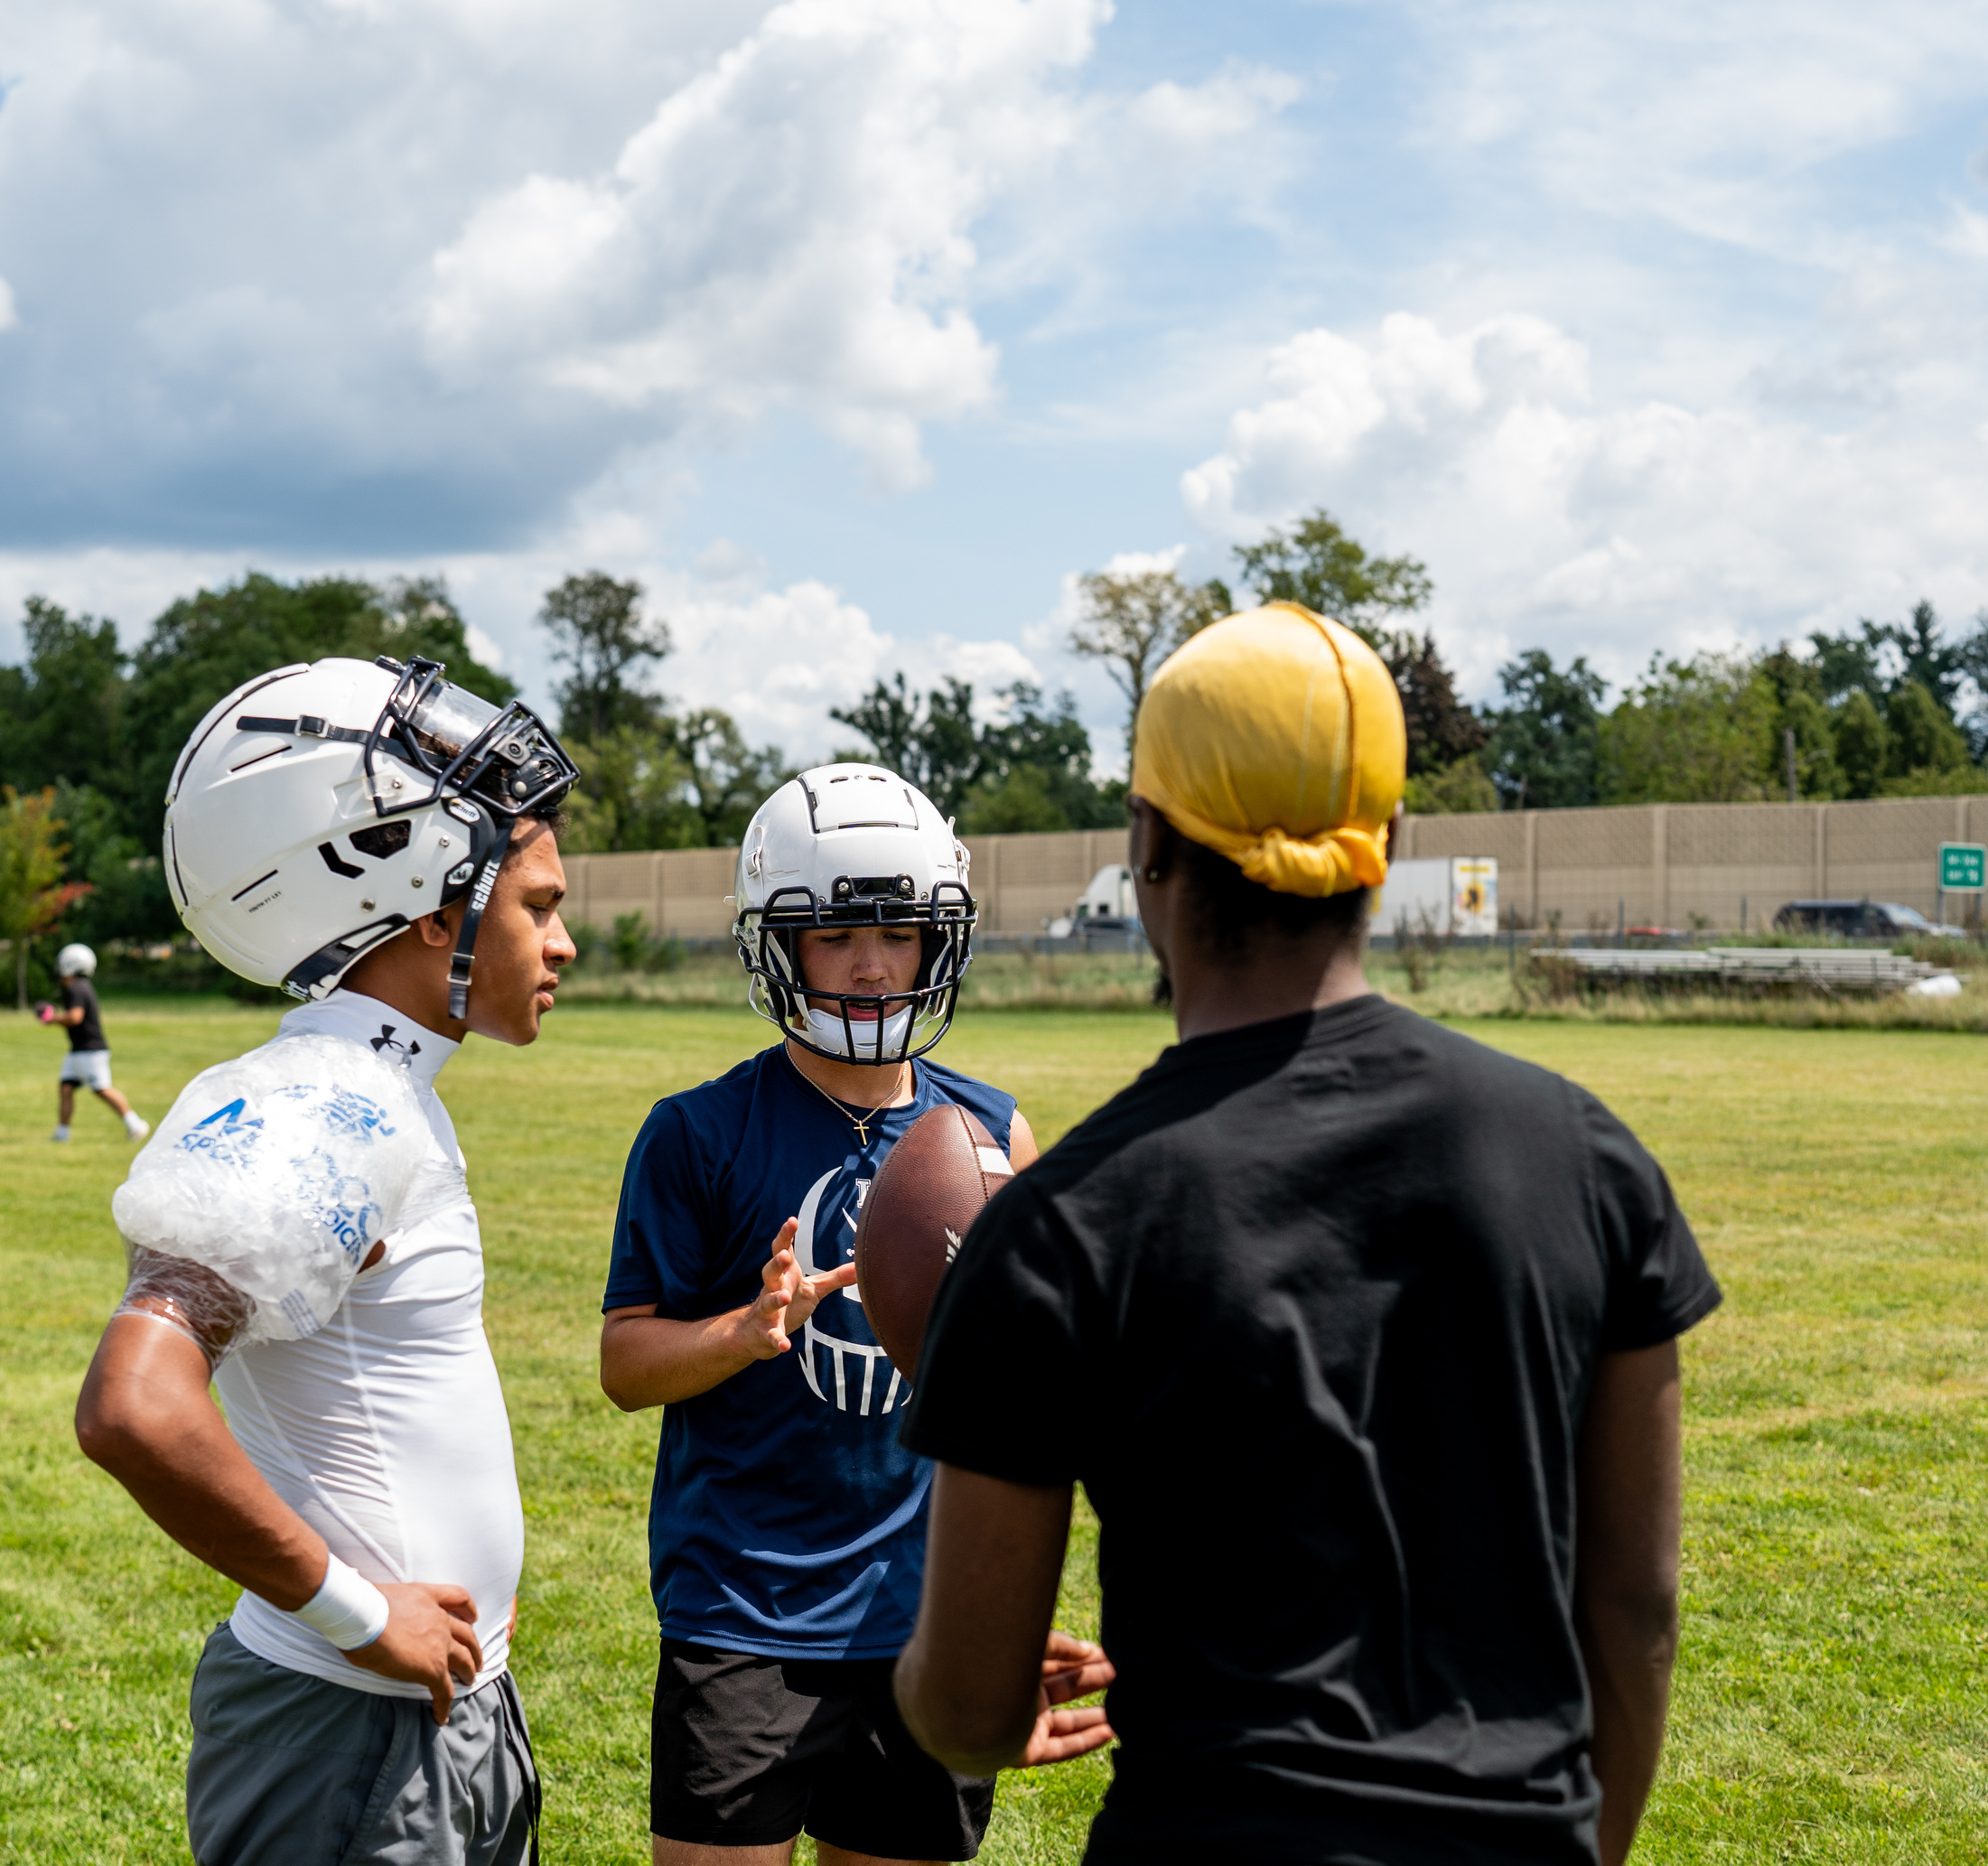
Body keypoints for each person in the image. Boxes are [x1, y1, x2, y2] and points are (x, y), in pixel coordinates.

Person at [893, 603, 1723, 1866]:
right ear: (1385, 843)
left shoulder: (1062, 1220)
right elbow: (1637, 1599)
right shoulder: (1587, 1154)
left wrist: (919, 1686)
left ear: (1149, 841)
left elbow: (963, 1714)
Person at [73, 656, 581, 1866]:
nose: (562, 943)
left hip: (417, 1720)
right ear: (429, 904)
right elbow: (133, 1403)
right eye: (539, 903)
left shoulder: (378, 1088)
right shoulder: (323, 1100)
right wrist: (357, 1613)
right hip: (352, 1733)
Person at [599, 763, 1113, 1866]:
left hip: (923, 1618)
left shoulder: (989, 1134)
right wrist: (743, 1329)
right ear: (777, 945)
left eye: (899, 930)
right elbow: (625, 1363)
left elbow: (1026, 1397)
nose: (874, 962)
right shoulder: (697, 1131)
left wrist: (1002, 1617)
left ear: (941, 940)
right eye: (836, 935)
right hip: (741, 1610)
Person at [39, 942, 148, 1142]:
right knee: (66, 1088)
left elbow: (75, 1017)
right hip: (78, 1050)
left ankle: (136, 1125)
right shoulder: (81, 986)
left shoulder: (76, 988)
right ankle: (62, 1134)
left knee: (102, 1089)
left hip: (90, 1050)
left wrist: (51, 1019)